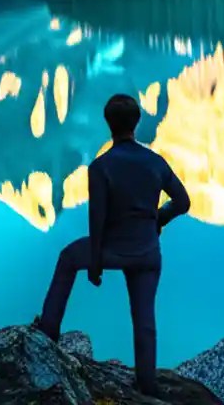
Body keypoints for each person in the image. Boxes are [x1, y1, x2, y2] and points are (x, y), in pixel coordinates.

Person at [34, 94, 191, 396]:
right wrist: (158, 218)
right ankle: (147, 384)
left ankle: (48, 331)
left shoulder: (101, 167)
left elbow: (98, 219)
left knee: (68, 258)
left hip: (113, 249)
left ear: (108, 124)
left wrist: (94, 263)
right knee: (144, 319)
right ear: (137, 123)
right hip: (147, 252)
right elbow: (183, 202)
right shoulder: (156, 162)